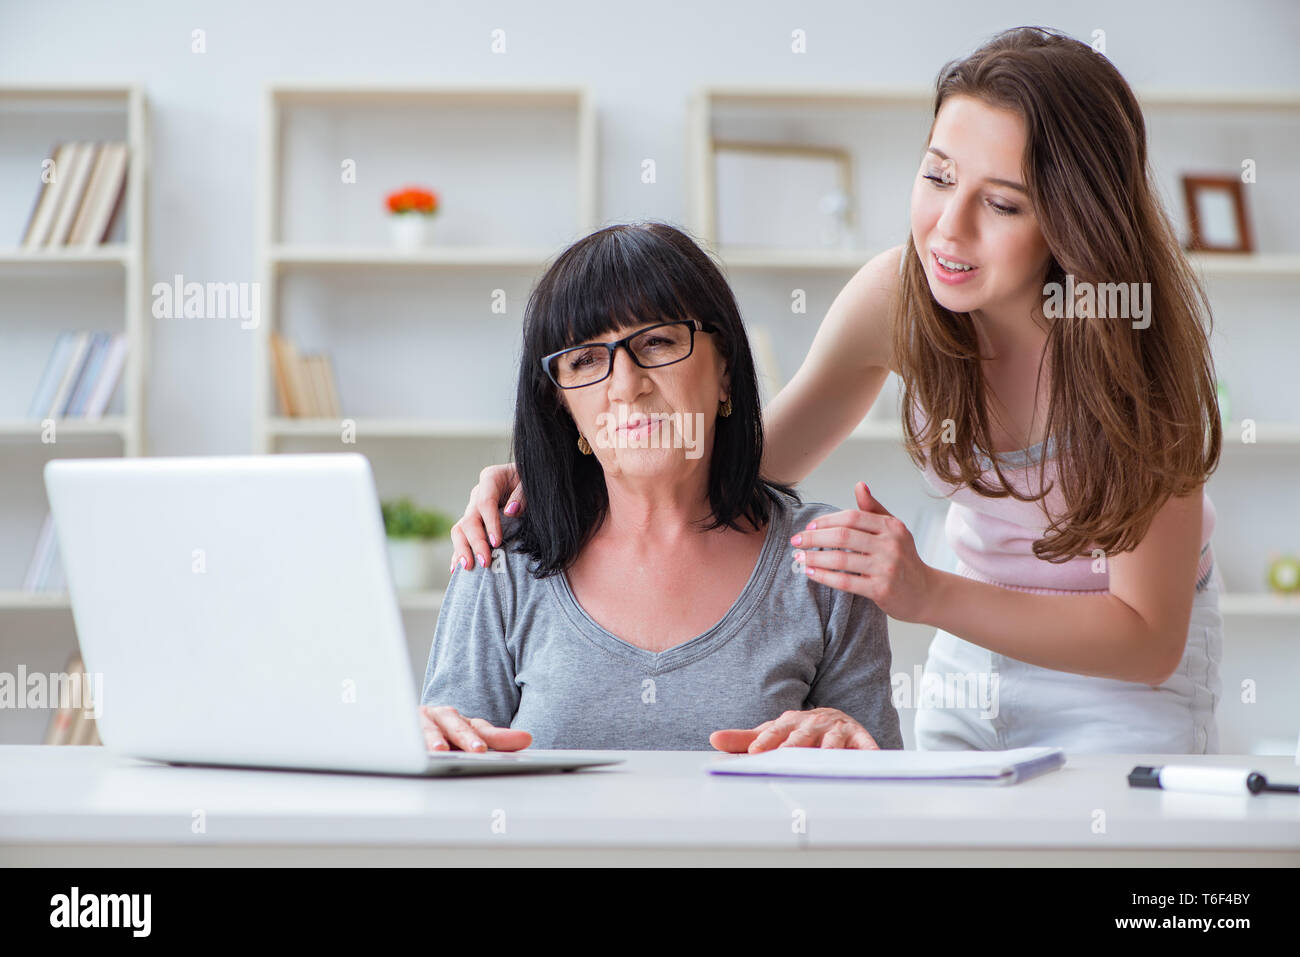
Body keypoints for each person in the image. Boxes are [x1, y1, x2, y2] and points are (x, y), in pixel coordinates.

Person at [452, 27, 1225, 754]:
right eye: (937, 175)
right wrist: (560, 472)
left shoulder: (1134, 353)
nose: (947, 230)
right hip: (978, 649)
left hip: (1125, 675)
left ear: (1077, 217)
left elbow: (1148, 639)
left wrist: (923, 592)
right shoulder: (898, 297)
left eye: (1001, 203)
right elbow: (752, 461)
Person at [420, 222, 902, 753]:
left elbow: (878, 813)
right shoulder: (499, 562)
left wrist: (850, 743)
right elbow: (451, 790)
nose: (626, 385)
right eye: (585, 360)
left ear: (724, 370)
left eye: (657, 342)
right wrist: (419, 744)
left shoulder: (824, 562)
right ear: (562, 405)